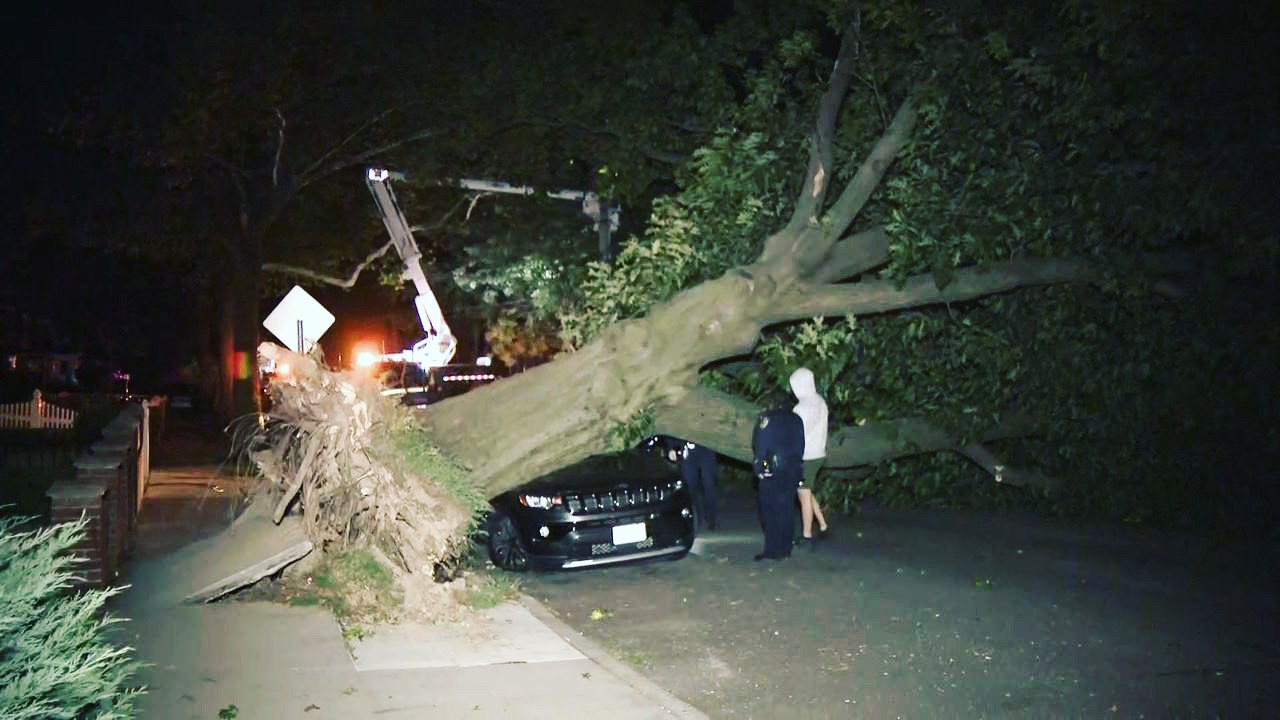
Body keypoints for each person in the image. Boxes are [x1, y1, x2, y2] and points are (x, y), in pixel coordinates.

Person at [751, 406, 805, 561]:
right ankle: (785, 549)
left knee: (769, 510)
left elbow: (760, 444)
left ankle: (772, 550)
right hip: (792, 468)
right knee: (786, 509)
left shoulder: (767, 418)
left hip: (773, 470)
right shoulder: (796, 419)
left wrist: (758, 468)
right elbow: (801, 445)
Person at [790, 367, 830, 550]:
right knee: (807, 489)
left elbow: (797, 434)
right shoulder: (820, 401)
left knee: (803, 494)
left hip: (806, 456)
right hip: (819, 454)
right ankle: (822, 524)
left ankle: (806, 536)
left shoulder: (801, 407)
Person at [678, 441, 718, 532]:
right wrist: (671, 447)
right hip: (688, 448)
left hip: (706, 447)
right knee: (689, 486)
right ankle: (693, 518)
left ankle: (711, 519)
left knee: (709, 485)